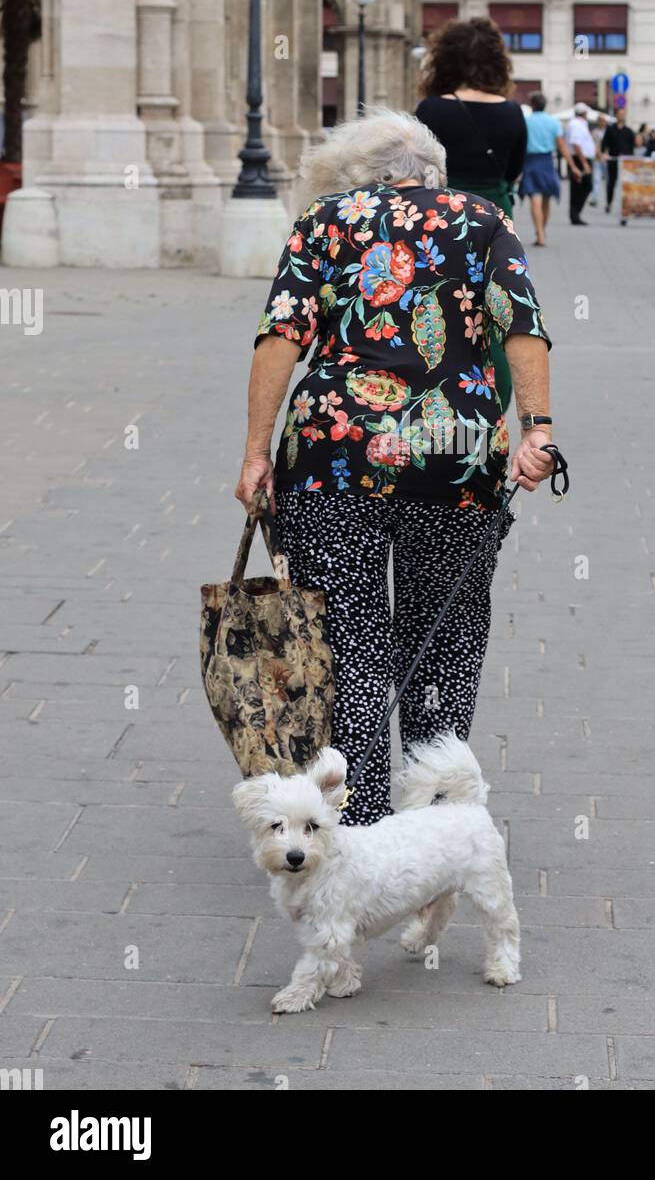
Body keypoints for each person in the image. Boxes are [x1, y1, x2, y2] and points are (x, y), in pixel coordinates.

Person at [235, 109, 556, 826]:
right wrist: (538, 428)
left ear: (354, 174)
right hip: (455, 455)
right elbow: (522, 325)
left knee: (345, 636)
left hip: (333, 454)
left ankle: (358, 817)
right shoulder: (483, 220)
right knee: (443, 635)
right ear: (434, 172)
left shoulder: (326, 219)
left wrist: (256, 451)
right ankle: (435, 812)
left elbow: (281, 337)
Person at [415, 15, 527, 407]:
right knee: (499, 308)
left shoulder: (430, 110)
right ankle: (495, 400)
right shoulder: (512, 112)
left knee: (439, 301)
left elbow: (418, 168)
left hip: (438, 215)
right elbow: (513, 172)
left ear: (443, 60)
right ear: (497, 61)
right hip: (494, 217)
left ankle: (437, 391)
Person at [518, 92, 580, 246]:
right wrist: (573, 166)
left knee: (535, 198)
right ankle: (542, 230)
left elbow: (519, 145)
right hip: (547, 162)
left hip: (530, 162)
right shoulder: (553, 122)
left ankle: (539, 233)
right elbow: (562, 146)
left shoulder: (526, 121)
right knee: (546, 200)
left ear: (532, 105)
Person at [564, 102, 595, 225]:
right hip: (580, 159)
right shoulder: (576, 124)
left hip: (582, 158)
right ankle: (575, 214)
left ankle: (575, 214)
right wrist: (584, 163)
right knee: (582, 186)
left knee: (582, 186)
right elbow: (576, 145)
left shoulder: (580, 124)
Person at [601, 110, 636, 213]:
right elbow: (604, 143)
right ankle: (609, 202)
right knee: (611, 182)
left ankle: (627, 204)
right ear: (616, 115)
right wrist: (604, 153)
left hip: (626, 161)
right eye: (620, 114)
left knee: (627, 183)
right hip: (613, 159)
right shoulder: (610, 129)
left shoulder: (629, 131)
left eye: (623, 114)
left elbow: (632, 147)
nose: (621, 116)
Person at [589, 112, 608, 206]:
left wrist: (606, 154)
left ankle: (608, 199)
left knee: (608, 180)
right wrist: (599, 154)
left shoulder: (608, 132)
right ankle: (595, 198)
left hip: (607, 159)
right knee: (596, 179)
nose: (602, 122)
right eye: (600, 120)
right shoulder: (594, 132)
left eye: (603, 121)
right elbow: (592, 145)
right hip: (597, 159)